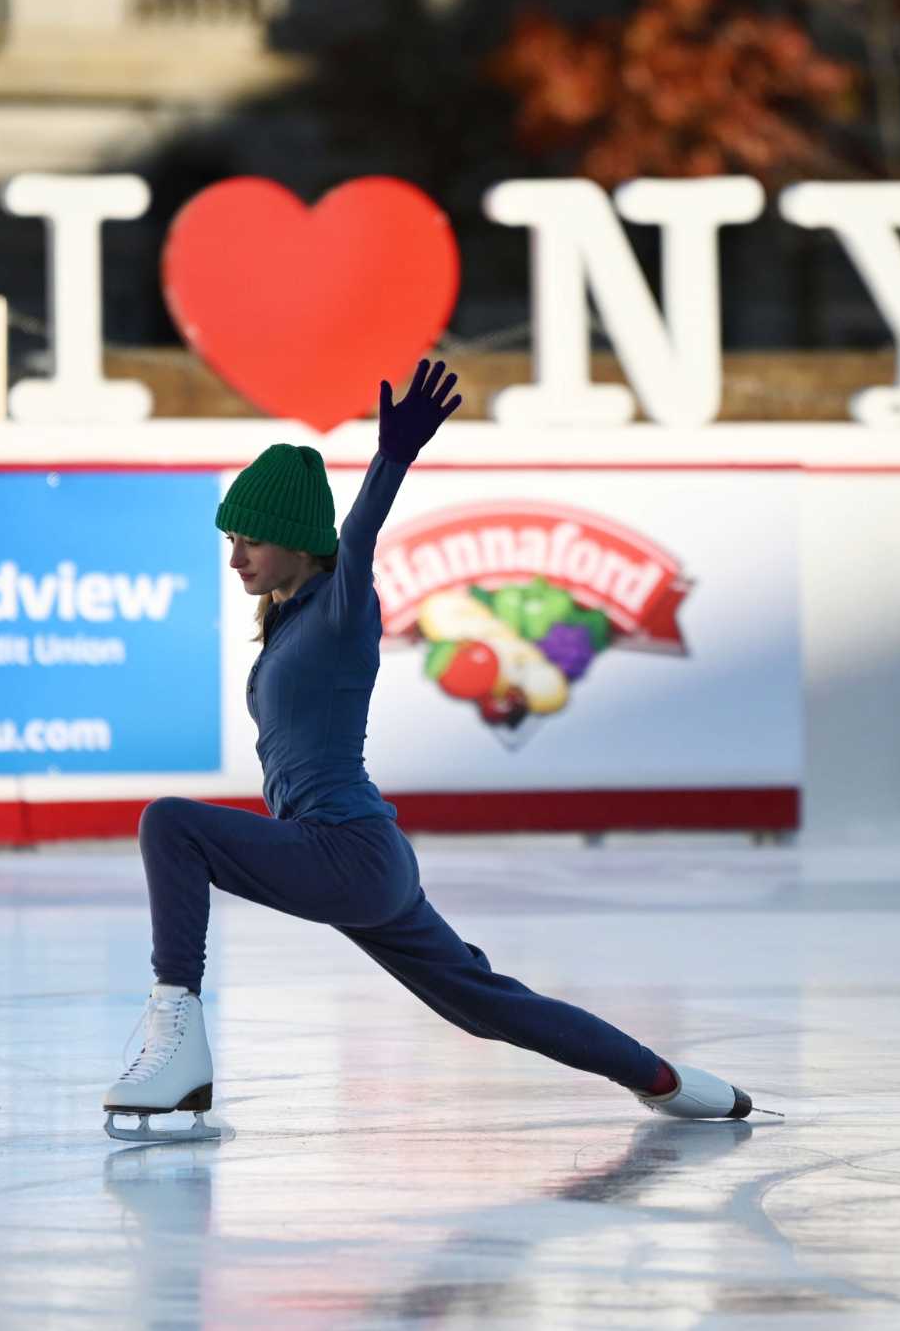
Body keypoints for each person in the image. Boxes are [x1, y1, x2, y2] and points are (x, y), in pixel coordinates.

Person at [102, 358, 765, 1143]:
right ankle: (672, 1082)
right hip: (358, 856)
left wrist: (392, 460)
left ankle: (176, 1041)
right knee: (490, 1007)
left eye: (251, 538)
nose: (236, 554)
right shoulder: (284, 625)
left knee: (171, 824)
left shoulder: (341, 608)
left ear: (298, 544)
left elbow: (357, 534)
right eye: (231, 538)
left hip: (344, 851)